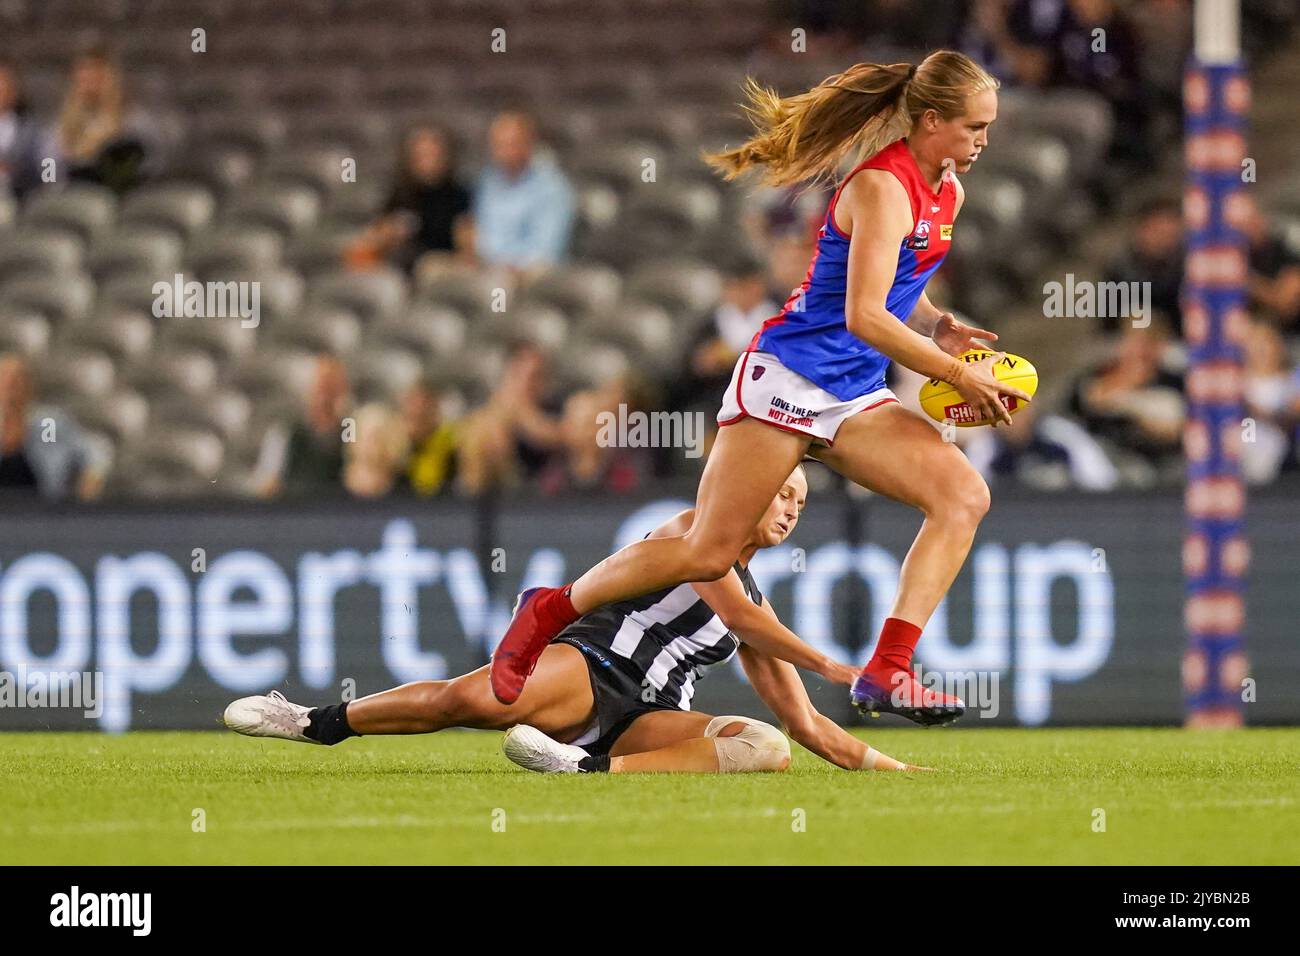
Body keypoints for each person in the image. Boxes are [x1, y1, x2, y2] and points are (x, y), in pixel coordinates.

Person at [489, 52, 1030, 724]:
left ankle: (888, 670)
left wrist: (937, 325)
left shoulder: (947, 189)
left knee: (962, 495)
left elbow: (896, 287)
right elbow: (863, 313)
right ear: (929, 120)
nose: (984, 141)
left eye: (988, 128)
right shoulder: (880, 187)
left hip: (853, 390)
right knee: (708, 551)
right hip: (792, 377)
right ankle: (551, 606)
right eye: (975, 127)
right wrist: (952, 374)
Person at [223, 466, 929, 774]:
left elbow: (809, 728)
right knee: (466, 700)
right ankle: (315, 721)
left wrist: (898, 769)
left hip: (642, 719)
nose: (787, 508)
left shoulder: (755, 608)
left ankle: (588, 769)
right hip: (592, 668)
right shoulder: (692, 533)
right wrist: (840, 665)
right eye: (779, 491)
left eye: (799, 503)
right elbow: (735, 608)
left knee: (766, 747)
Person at [345, 125, 473, 274]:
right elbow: (377, 233)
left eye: (433, 153)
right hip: (401, 262)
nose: (427, 161)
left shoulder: (460, 195)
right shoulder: (400, 192)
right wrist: (388, 233)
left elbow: (466, 243)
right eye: (421, 155)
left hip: (441, 264)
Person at [472, 111, 575, 277]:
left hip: (528, 270)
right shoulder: (488, 180)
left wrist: (509, 266)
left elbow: (547, 251)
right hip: (488, 265)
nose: (503, 151)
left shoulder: (552, 187)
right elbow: (481, 233)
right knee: (435, 268)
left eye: (510, 144)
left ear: (528, 144)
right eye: (498, 144)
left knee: (526, 275)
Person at [251, 353, 351, 498]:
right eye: (320, 386)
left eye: (330, 387)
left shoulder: (351, 432)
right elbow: (267, 484)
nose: (324, 395)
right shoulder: (286, 432)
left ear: (341, 389)